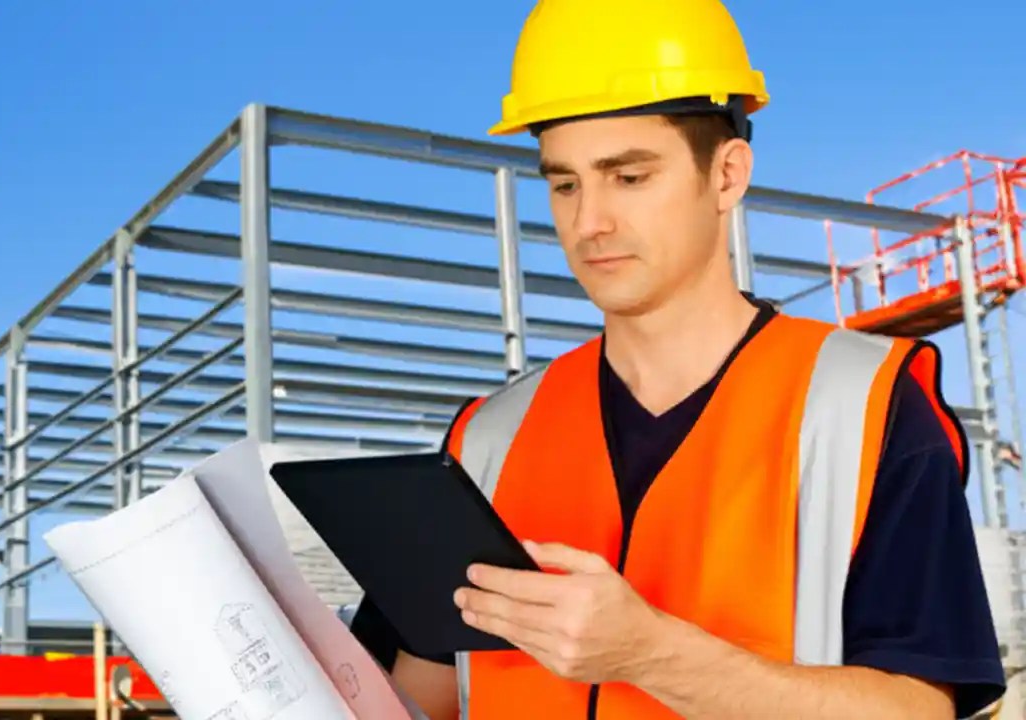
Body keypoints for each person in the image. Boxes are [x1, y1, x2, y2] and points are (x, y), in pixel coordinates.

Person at [349, 1, 1008, 718]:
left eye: (629, 177)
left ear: (727, 175)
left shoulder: (865, 407)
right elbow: (417, 698)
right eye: (565, 184)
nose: (588, 222)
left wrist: (650, 654)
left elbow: (917, 711)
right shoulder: (486, 439)